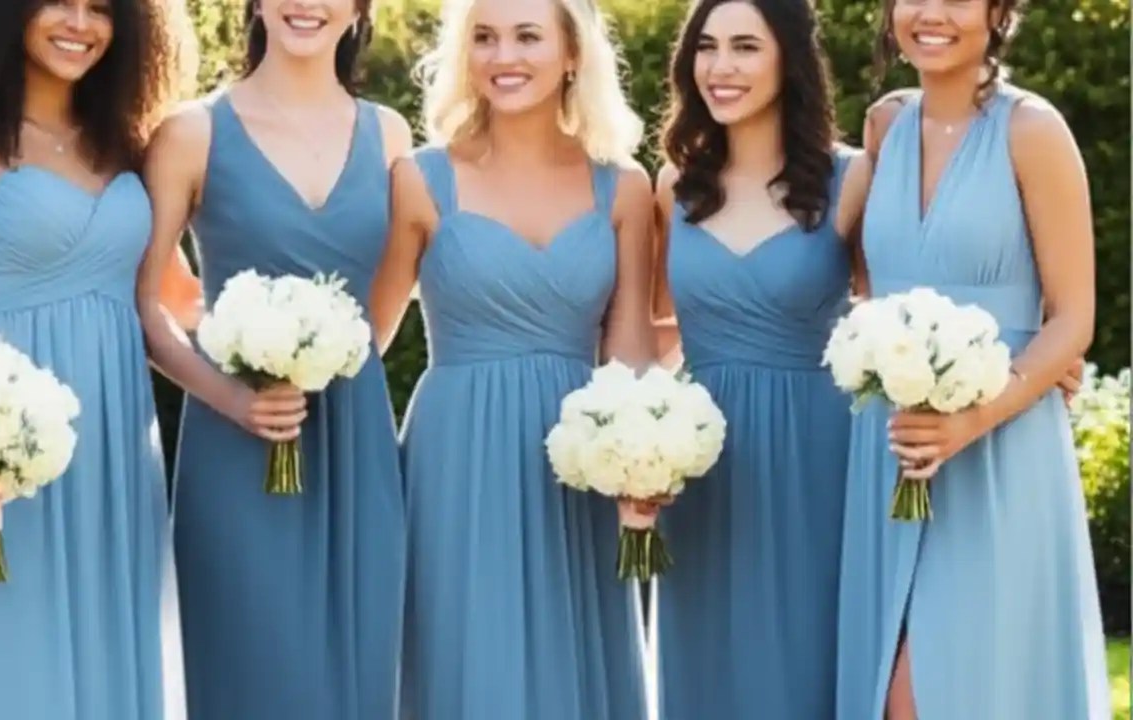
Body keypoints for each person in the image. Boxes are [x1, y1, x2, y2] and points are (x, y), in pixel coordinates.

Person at [0, 0, 189, 717]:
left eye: (101, 8)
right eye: (59, 1)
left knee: (110, 652)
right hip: (6, 457)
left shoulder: (127, 145)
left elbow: (175, 302)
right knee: (10, 662)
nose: (81, 22)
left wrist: (273, 354)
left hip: (117, 456)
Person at [371, 0, 654, 717]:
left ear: (572, 55)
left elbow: (629, 350)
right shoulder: (419, 178)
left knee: (575, 662)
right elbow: (366, 342)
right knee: (467, 659)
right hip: (457, 458)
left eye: (528, 36)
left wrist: (642, 459)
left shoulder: (624, 187)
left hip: (579, 464)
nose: (505, 57)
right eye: (485, 39)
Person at [134, 0, 413, 716]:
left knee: (361, 674)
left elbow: (384, 308)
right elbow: (144, 305)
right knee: (250, 668)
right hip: (235, 445)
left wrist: (326, 371)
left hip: (358, 445)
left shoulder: (390, 135)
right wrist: (232, 396)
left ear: (357, 11)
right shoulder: (191, 133)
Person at [835, 0, 1110, 716]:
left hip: (999, 451)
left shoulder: (1033, 131)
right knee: (890, 689)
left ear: (996, 11)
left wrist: (976, 416)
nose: (929, 14)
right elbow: (850, 271)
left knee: (949, 690)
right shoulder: (885, 125)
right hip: (891, 446)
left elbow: (1074, 315)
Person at [648, 0, 871, 717]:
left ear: (789, 59)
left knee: (811, 666)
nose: (721, 67)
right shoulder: (672, 189)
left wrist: (1035, 357)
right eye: (707, 48)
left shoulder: (852, 179)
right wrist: (626, 439)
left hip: (820, 461)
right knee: (709, 672)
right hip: (703, 474)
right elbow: (656, 334)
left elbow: (896, 312)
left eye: (746, 46)